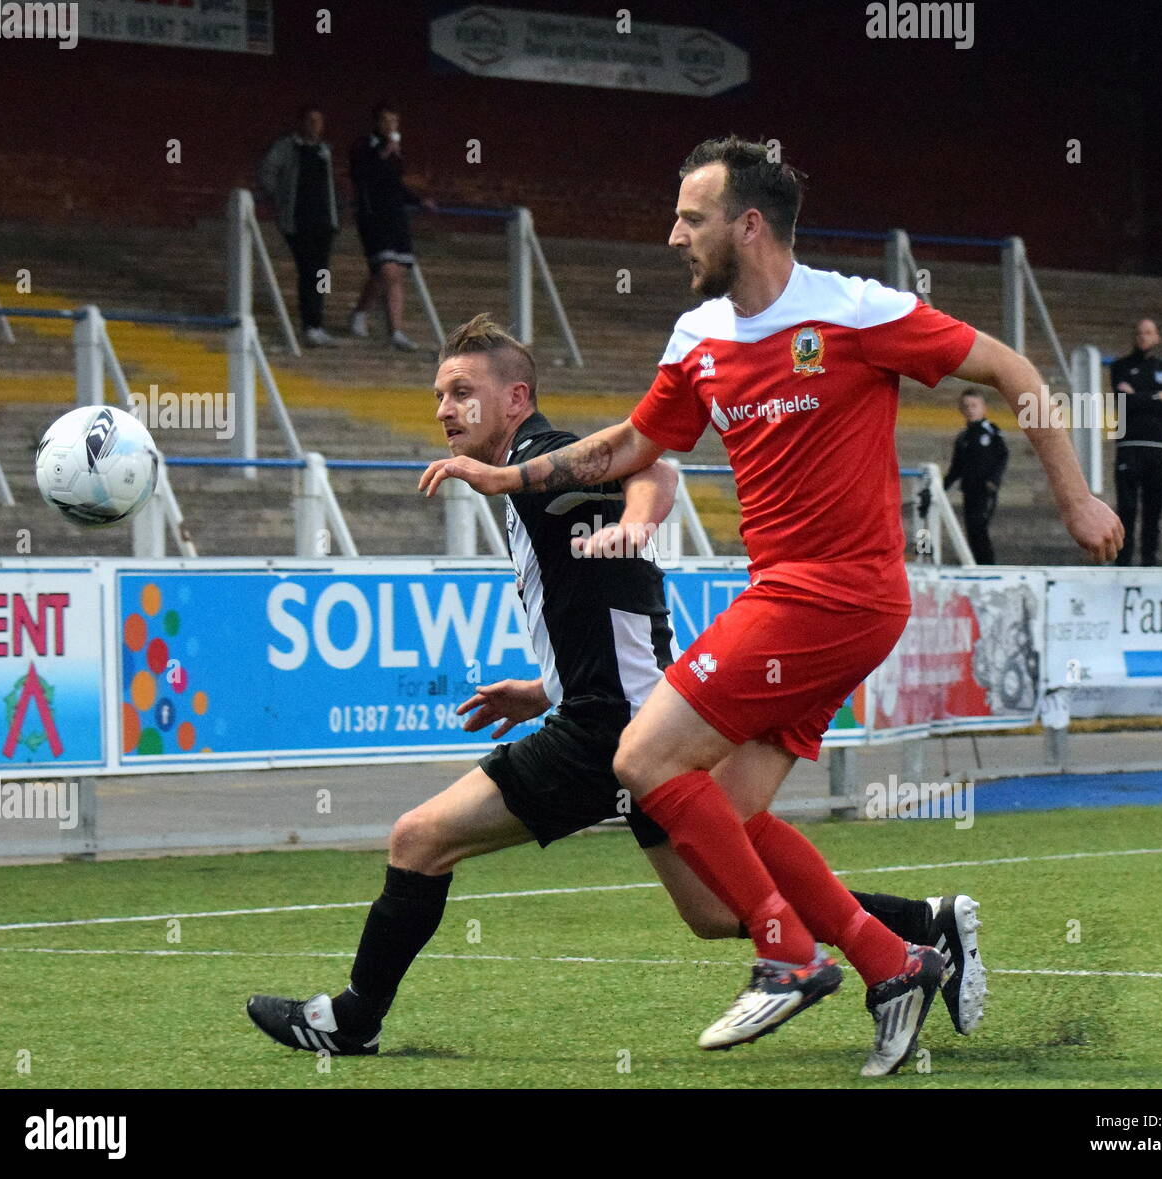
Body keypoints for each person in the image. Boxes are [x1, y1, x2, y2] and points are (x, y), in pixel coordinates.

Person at [420, 136, 1121, 1075]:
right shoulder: (698, 338)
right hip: (796, 599)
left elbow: (1015, 373)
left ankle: (789, 953)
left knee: (642, 756)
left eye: (691, 219)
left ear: (749, 225)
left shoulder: (854, 310)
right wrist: (509, 474)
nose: (673, 236)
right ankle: (896, 959)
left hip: (837, 592)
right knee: (726, 815)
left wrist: (1074, 495)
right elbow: (632, 444)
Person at [247, 314, 987, 1059]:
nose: (445, 409)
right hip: (627, 715)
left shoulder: (539, 458)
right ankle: (920, 927)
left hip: (606, 731)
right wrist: (544, 687)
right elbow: (613, 613)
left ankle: (352, 1018)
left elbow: (655, 469)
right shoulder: (533, 482)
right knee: (712, 908)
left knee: (419, 837)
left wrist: (636, 521)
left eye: (462, 392)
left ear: (515, 398)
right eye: (439, 394)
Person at [349, 103, 436, 351]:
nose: (390, 126)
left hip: (396, 218)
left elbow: (395, 185)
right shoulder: (364, 147)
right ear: (376, 122)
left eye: (394, 122)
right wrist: (384, 153)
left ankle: (361, 313)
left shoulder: (396, 154)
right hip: (373, 217)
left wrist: (419, 200)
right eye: (386, 121)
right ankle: (395, 330)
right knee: (388, 271)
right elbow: (363, 177)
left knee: (386, 271)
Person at [257, 104, 340, 348]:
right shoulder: (287, 147)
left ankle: (316, 324)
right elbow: (267, 172)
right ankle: (310, 325)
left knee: (320, 273)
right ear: (301, 122)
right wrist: (280, 199)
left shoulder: (325, 150)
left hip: (323, 222)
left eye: (319, 122)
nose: (315, 126)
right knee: (308, 271)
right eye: (311, 121)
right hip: (298, 221)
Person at [1111, 317, 1162, 566]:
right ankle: (1123, 561)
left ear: (1157, 337)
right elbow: (1122, 401)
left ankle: (1150, 561)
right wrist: (1156, 398)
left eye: (1149, 332)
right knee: (1127, 509)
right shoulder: (1120, 366)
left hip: (1159, 448)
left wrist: (1137, 396)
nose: (1144, 337)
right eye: (1140, 332)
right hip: (1129, 446)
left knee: (1153, 510)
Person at [943, 389, 1009, 564]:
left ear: (983, 408)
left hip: (985, 490)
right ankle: (977, 564)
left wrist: (993, 482)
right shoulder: (963, 436)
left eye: (974, 405)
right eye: (966, 406)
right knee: (972, 529)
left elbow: (1002, 456)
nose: (970, 409)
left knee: (980, 528)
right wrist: (942, 487)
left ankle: (987, 566)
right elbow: (956, 467)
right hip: (969, 490)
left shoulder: (991, 432)